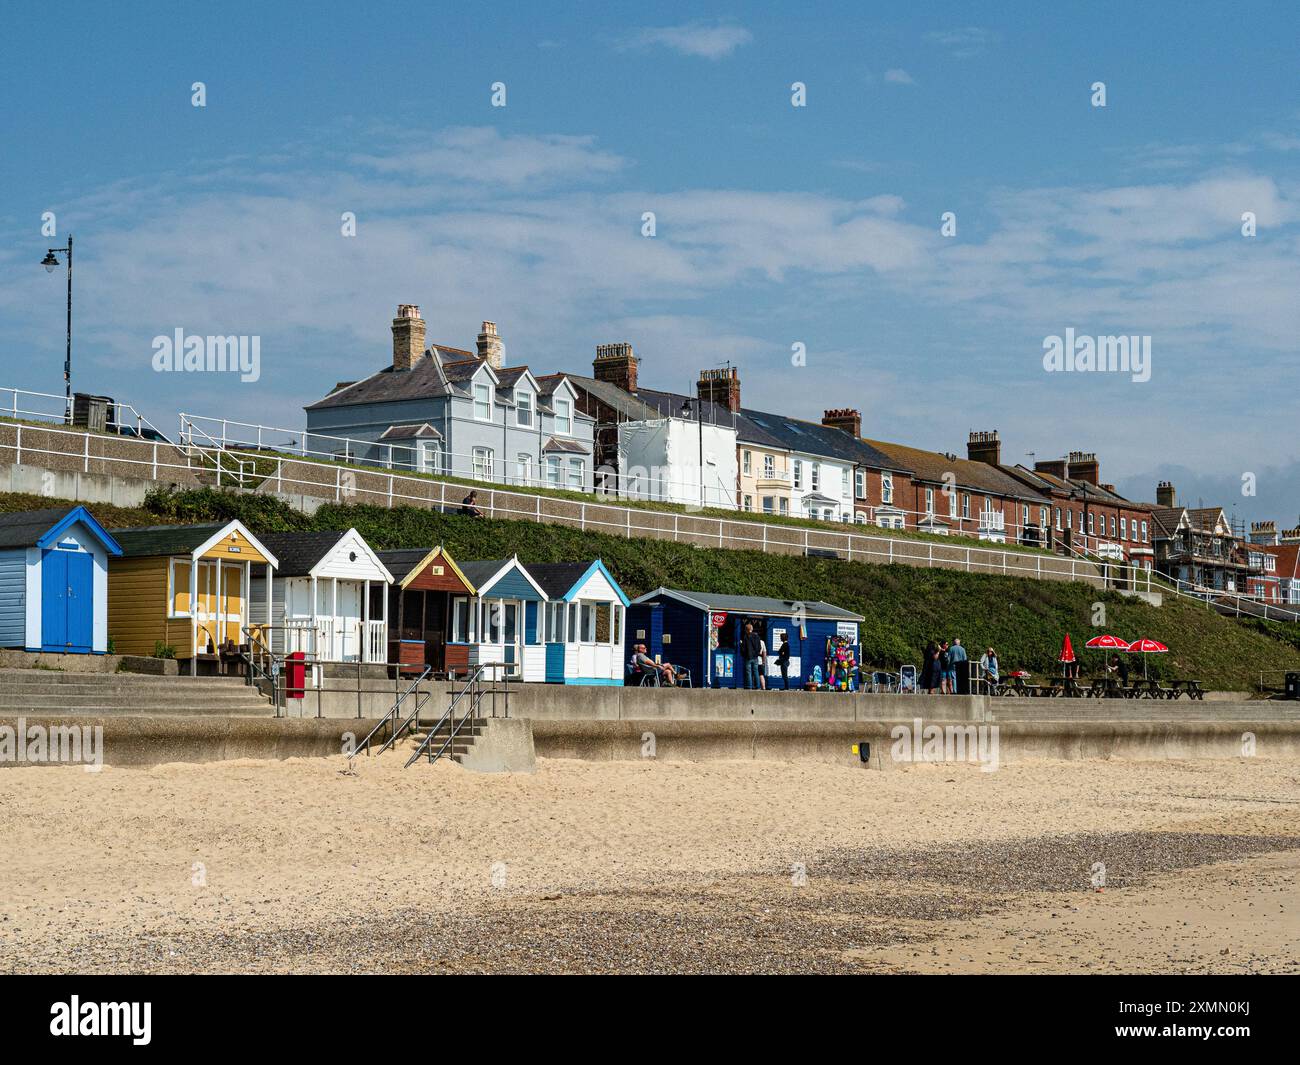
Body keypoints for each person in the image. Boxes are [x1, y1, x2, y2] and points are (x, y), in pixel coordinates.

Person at [740, 622, 763, 690]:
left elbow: (743, 648)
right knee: (756, 671)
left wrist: (743, 654)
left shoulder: (746, 637)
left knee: (748, 672)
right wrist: (757, 653)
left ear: (746, 630)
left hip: (748, 657)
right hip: (755, 657)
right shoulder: (757, 636)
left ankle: (749, 687)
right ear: (752, 629)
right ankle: (757, 686)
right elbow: (759, 647)